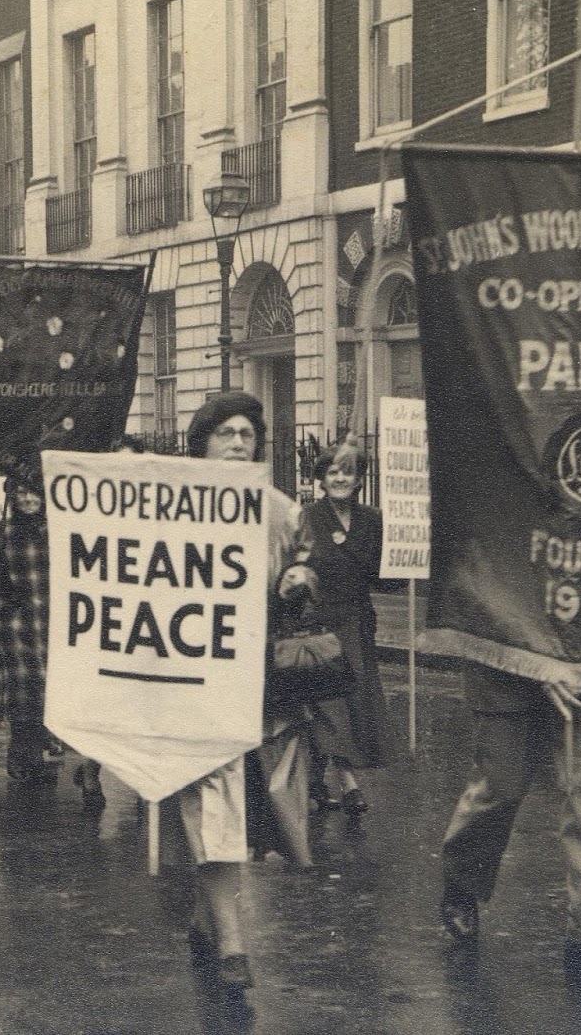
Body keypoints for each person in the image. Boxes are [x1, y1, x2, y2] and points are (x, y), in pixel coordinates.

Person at [437, 587, 581, 987]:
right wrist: (539, 664)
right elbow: (488, 571)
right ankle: (463, 880)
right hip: (504, 658)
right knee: (500, 789)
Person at [177, 392, 303, 994]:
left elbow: (299, 576)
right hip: (193, 681)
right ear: (202, 443)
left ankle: (209, 920)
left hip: (258, 683)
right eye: (224, 433)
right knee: (212, 804)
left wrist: (300, 580)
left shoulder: (281, 512)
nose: (236, 444)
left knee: (250, 810)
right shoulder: (170, 508)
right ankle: (232, 945)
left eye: (247, 434)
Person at [283, 441, 392, 820]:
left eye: (348, 471)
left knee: (353, 705)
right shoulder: (307, 518)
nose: (340, 478)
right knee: (331, 708)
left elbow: (383, 579)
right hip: (317, 626)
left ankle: (314, 781)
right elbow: (291, 570)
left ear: (360, 479)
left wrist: (405, 561)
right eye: (333, 472)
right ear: (322, 479)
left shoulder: (372, 520)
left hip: (357, 624)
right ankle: (349, 784)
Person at [0, 475, 104, 805]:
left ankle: (79, 762)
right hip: (18, 624)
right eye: (20, 492)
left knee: (59, 691)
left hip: (56, 622)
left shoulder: (63, 530)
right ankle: (24, 757)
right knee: (25, 693)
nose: (27, 499)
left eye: (33, 491)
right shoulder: (3, 533)